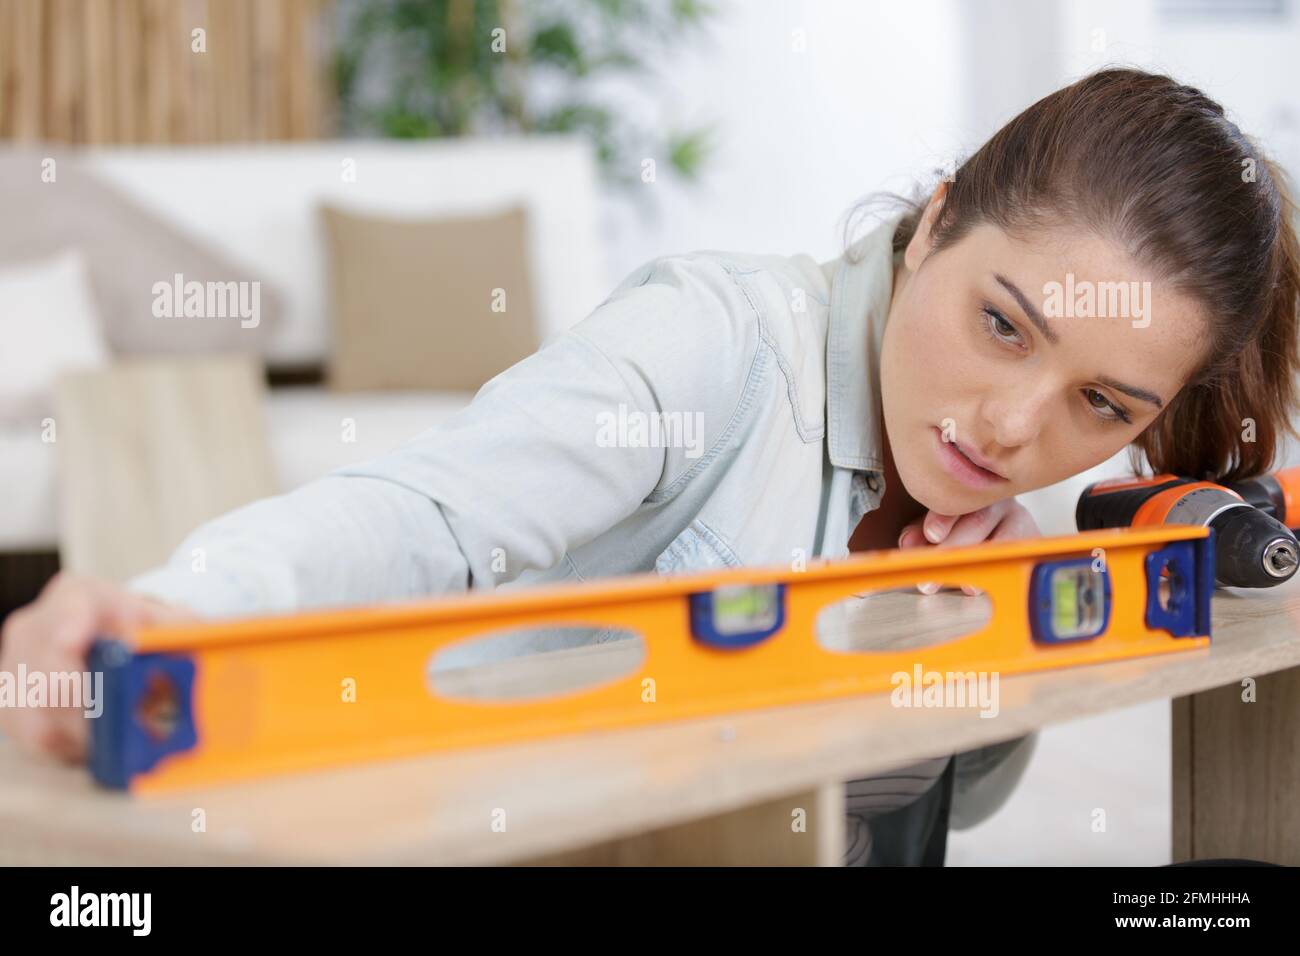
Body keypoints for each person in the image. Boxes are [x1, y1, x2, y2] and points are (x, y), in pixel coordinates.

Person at [4, 68, 1298, 865]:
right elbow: (431, 515)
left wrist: (993, 638)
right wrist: (171, 610)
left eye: (1100, 403)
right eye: (1003, 326)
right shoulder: (714, 343)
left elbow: (945, 810)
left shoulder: (1009, 492)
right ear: (936, 222)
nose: (1013, 428)